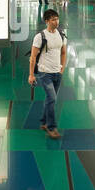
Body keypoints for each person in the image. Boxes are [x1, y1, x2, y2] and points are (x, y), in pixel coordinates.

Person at [27, 9, 68, 139]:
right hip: (45, 73)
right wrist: (31, 75)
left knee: (50, 99)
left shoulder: (61, 34)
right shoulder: (40, 37)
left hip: (57, 73)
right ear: (47, 21)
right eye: (53, 20)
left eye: (57, 19)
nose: (56, 22)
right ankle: (52, 127)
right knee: (52, 98)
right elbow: (33, 57)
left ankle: (43, 122)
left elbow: (63, 52)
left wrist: (62, 69)